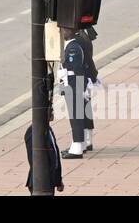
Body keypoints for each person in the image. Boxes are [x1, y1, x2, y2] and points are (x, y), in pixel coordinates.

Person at [60, 27, 99, 158]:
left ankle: (77, 146)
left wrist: (80, 87)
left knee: (75, 115)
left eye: (64, 29)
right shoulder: (81, 40)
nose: (62, 31)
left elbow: (76, 69)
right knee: (83, 112)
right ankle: (84, 142)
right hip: (79, 82)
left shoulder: (73, 47)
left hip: (74, 83)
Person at [24, 108, 65, 193]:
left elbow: (55, 156)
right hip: (41, 182)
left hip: (50, 180)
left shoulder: (48, 129)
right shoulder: (32, 131)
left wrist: (58, 180)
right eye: (50, 111)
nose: (52, 113)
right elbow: (34, 159)